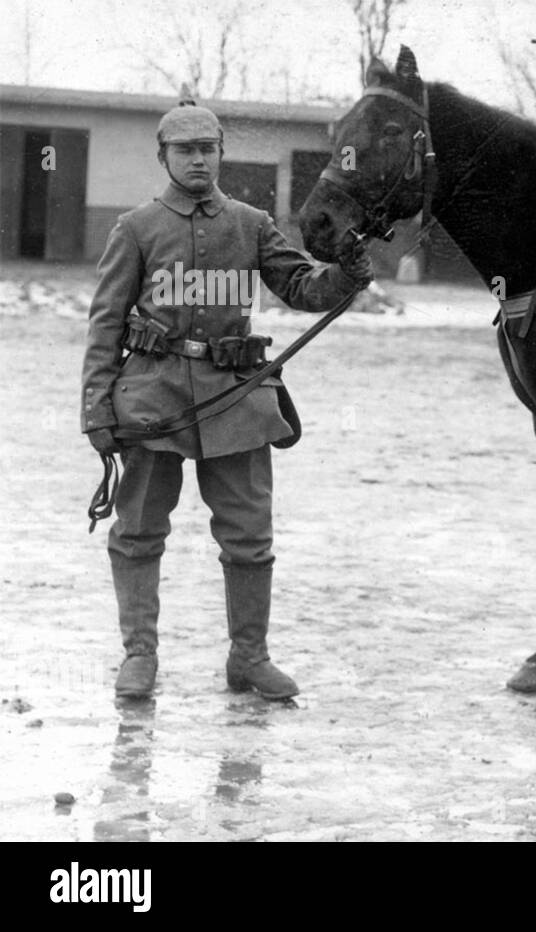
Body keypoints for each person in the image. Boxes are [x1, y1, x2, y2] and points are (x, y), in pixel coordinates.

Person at [81, 95, 373, 701]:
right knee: (137, 531)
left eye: (207, 149)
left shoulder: (251, 223)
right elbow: (105, 322)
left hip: (236, 400)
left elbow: (300, 283)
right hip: (153, 398)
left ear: (221, 153)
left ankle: (249, 657)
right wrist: (97, 408)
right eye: (185, 150)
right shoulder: (135, 228)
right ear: (163, 156)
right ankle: (140, 656)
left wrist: (344, 272)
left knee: (248, 535)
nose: (197, 160)